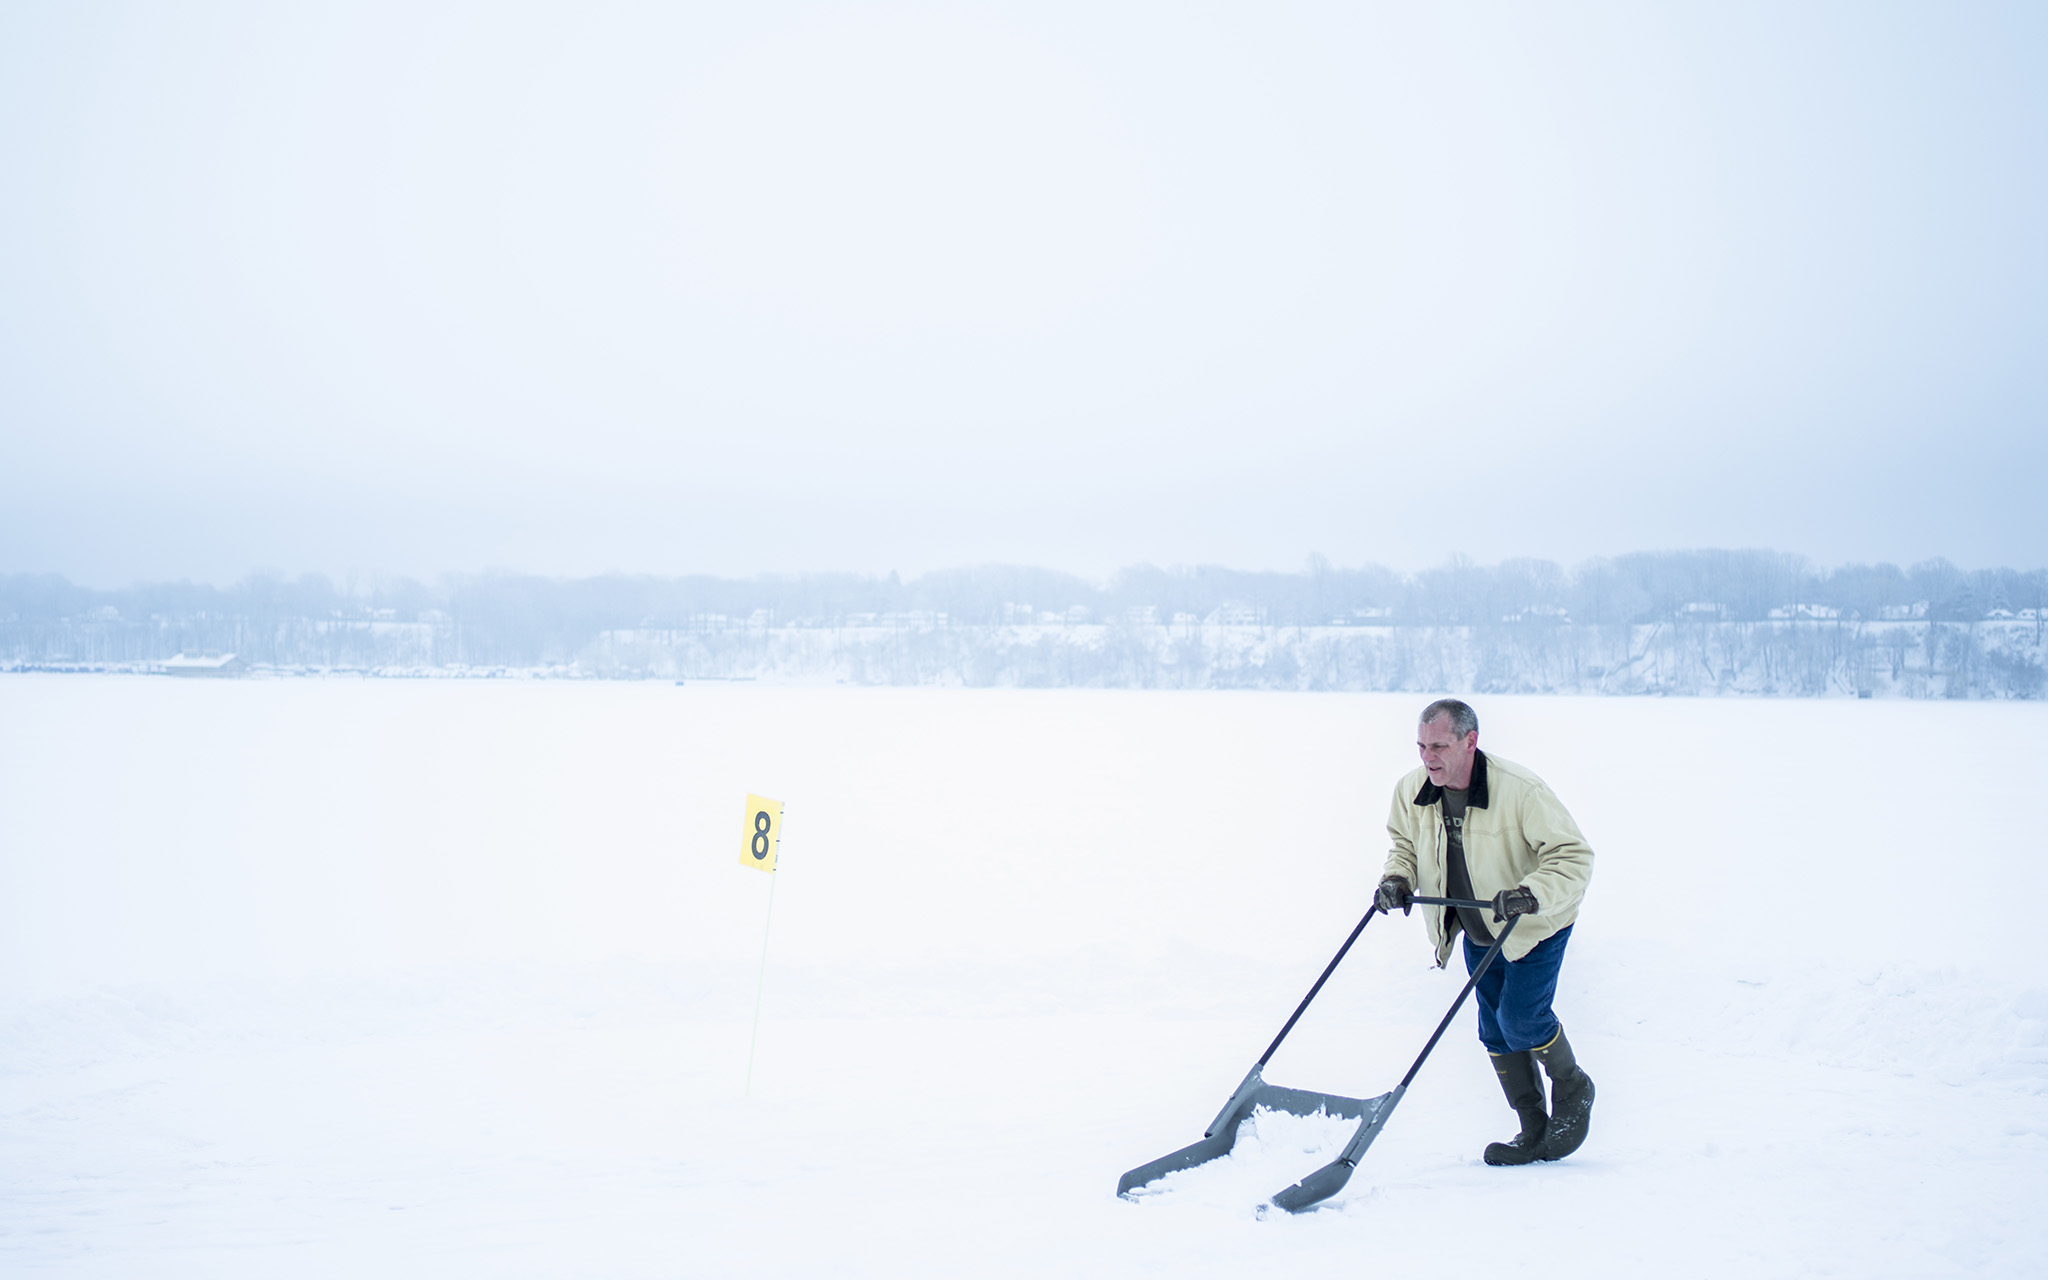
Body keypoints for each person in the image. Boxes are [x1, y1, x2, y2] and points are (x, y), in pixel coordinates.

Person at [1374, 699, 1596, 1165]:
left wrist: (1530, 893)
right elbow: (1404, 847)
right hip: (1476, 927)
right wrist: (1397, 879)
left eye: (1438, 745)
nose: (1427, 756)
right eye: (1421, 745)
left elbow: (1573, 856)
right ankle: (1532, 1127)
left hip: (1532, 924)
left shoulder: (1520, 790)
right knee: (1494, 1029)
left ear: (1469, 742)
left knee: (1520, 1019)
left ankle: (1573, 1087)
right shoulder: (1412, 790)